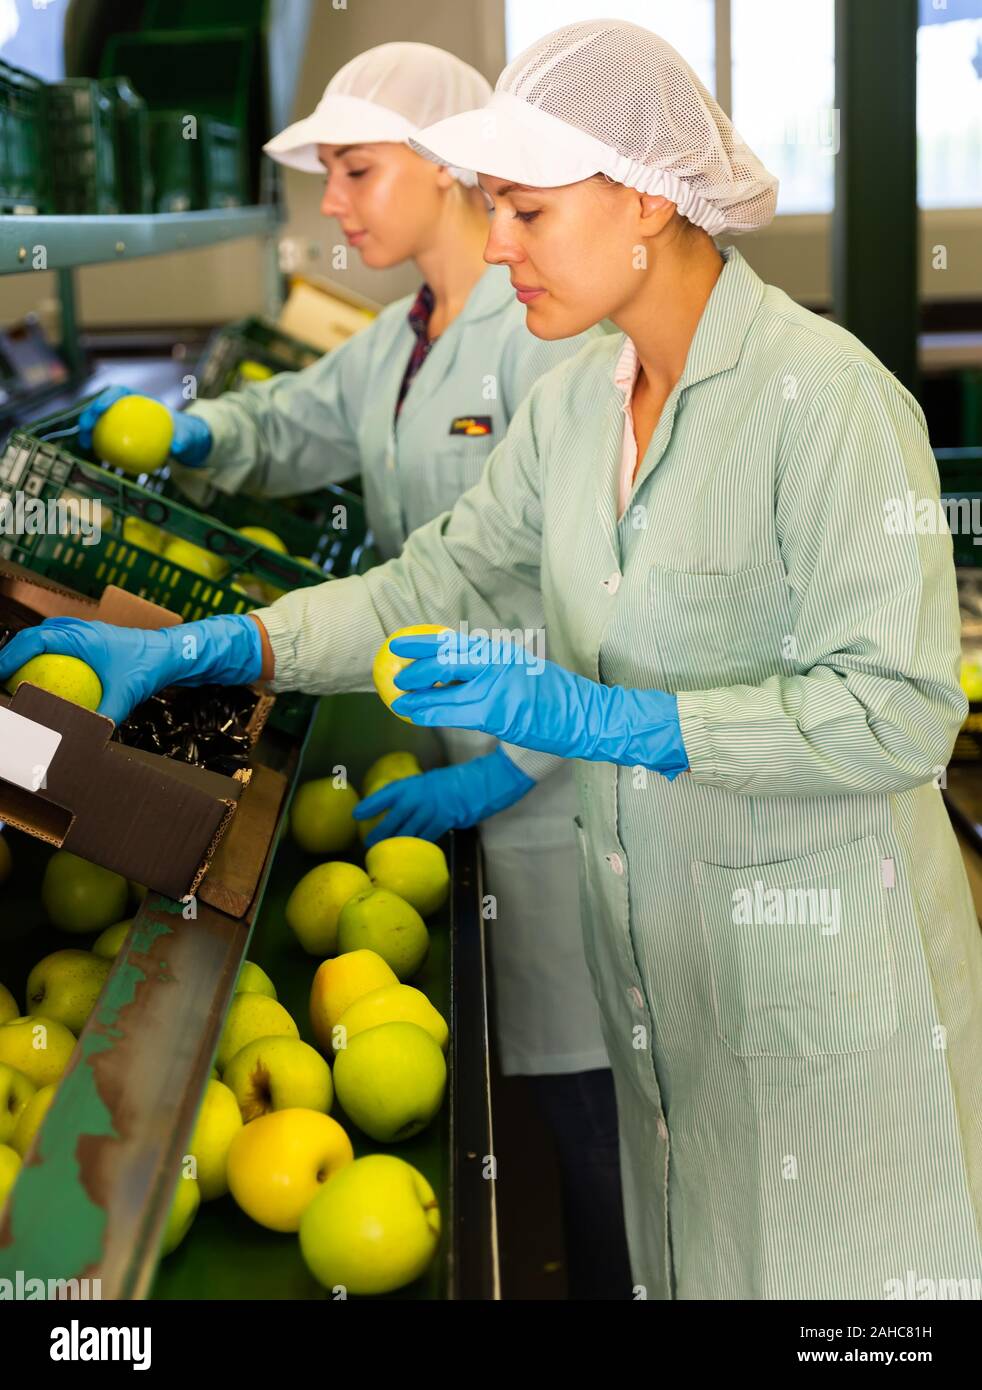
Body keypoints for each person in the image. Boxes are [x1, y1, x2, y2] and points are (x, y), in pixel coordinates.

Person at [6, 18, 981, 1299]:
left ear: (641, 198)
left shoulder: (831, 404)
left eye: (526, 208)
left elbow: (898, 714)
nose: (499, 240)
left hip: (823, 998)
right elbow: (433, 578)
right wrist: (220, 644)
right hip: (660, 980)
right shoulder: (581, 400)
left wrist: (611, 718)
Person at [69, 42, 630, 1299]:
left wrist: (510, 768)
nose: (334, 202)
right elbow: (297, 420)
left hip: (562, 797)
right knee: (511, 1093)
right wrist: (200, 427)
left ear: (445, 169)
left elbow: (613, 613)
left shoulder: (544, 342)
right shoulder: (401, 340)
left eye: (357, 170)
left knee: (601, 1128)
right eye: (330, 172)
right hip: (442, 766)